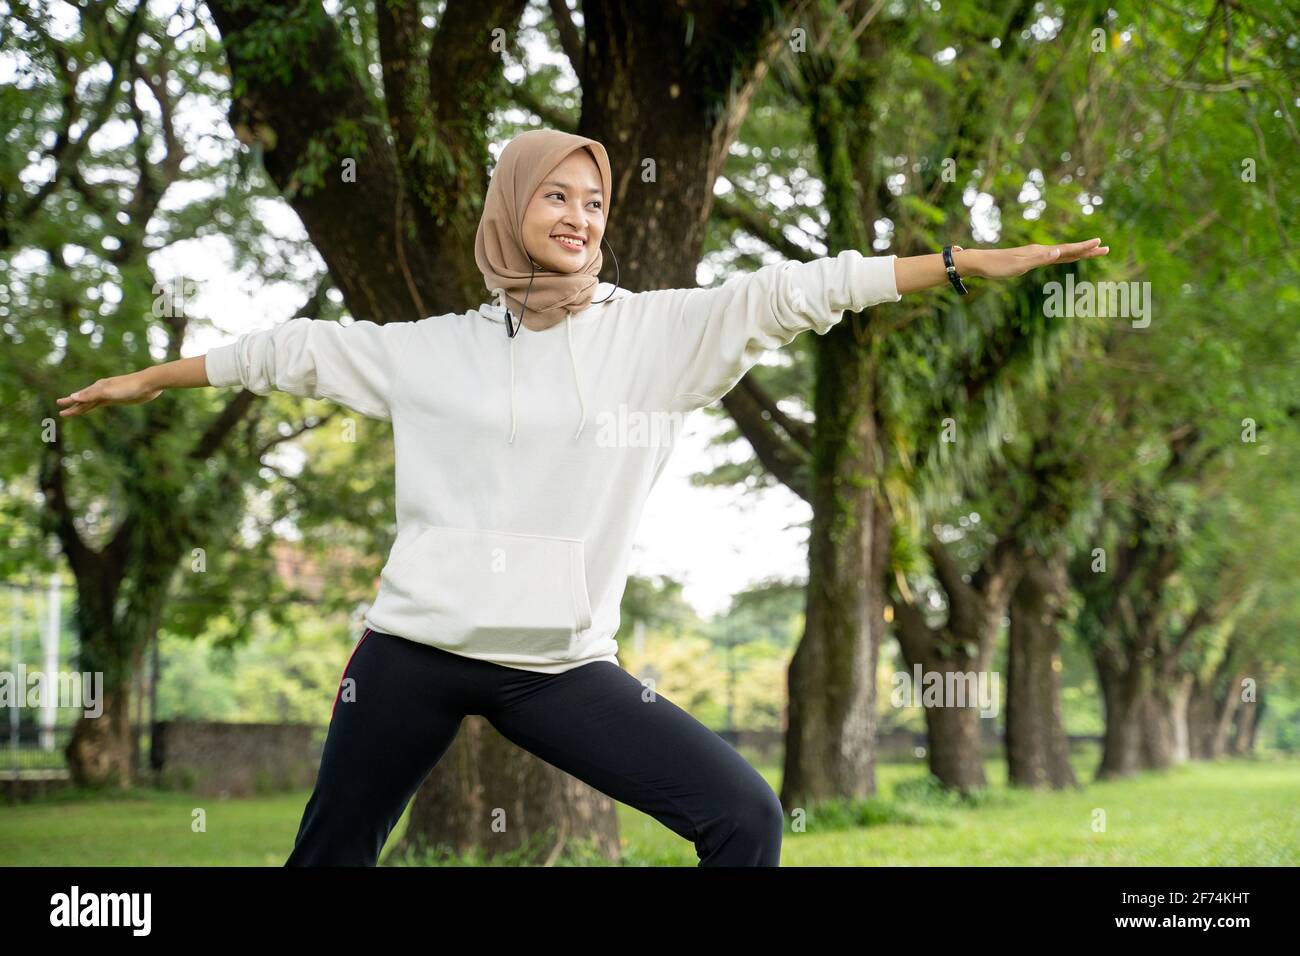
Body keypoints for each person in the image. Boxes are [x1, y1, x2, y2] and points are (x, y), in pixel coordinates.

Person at [57, 128, 1108, 866]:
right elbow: (288, 350)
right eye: (555, 194)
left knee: (742, 814)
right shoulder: (428, 351)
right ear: (512, 208)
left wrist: (961, 263)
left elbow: (802, 289)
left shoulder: (652, 334)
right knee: (328, 853)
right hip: (410, 652)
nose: (579, 214)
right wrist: (152, 376)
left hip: (558, 664)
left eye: (595, 199)